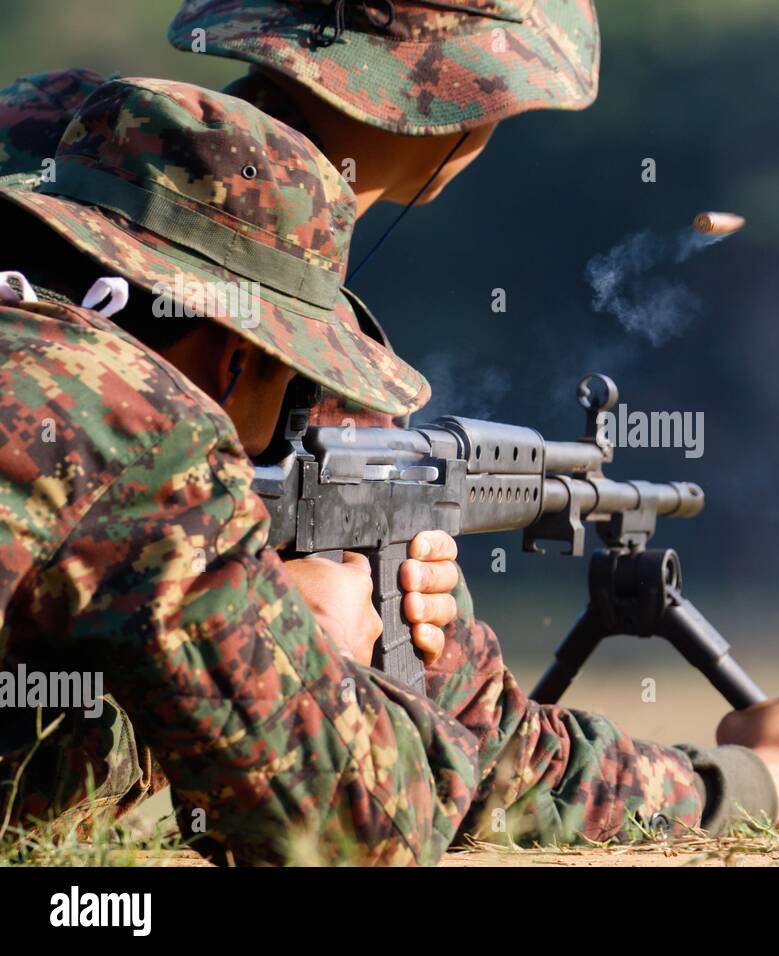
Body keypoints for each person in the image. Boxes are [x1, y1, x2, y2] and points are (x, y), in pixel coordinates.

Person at [0, 0, 779, 847]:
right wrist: (297, 656)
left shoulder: (59, 139)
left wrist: (231, 614)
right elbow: (378, 816)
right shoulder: (152, 427)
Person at [0, 76, 482, 863]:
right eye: (289, 384)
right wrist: (317, 655)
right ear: (235, 358)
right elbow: (357, 831)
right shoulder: (145, 421)